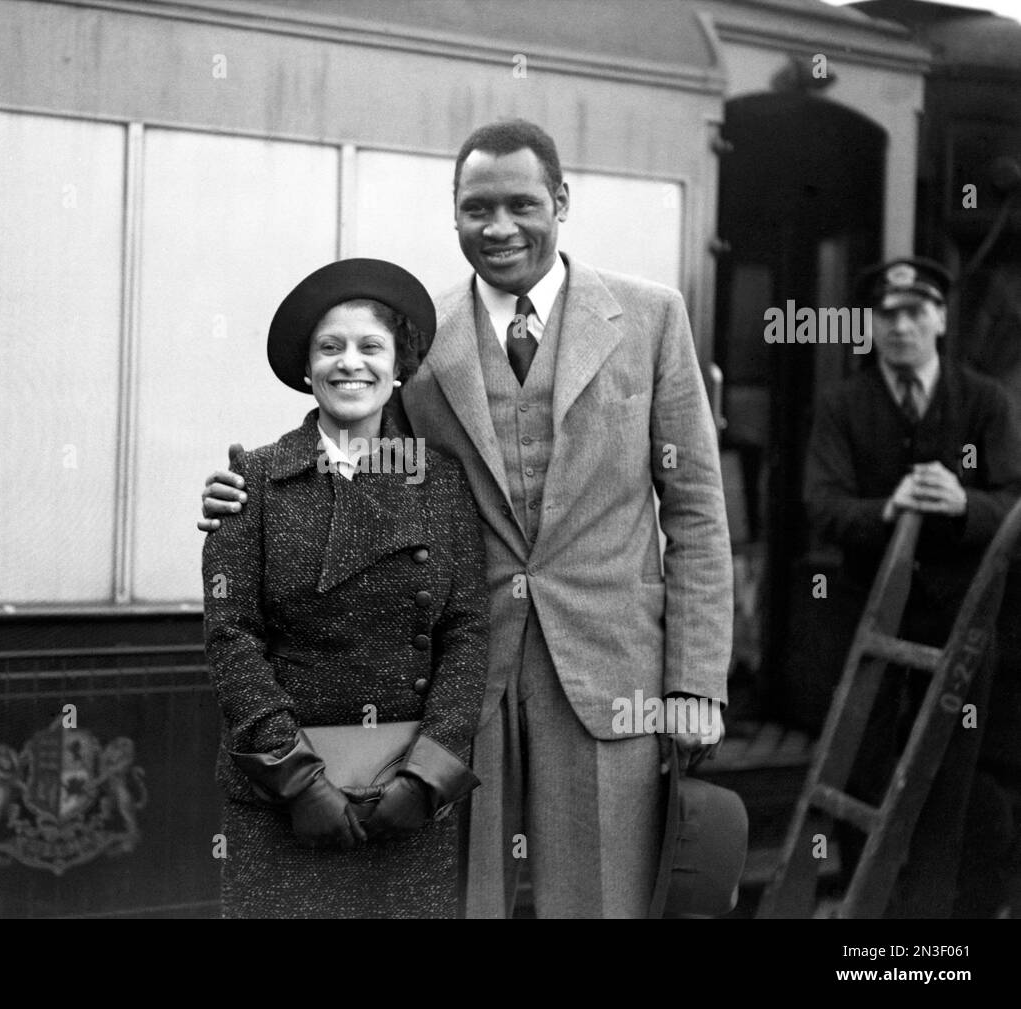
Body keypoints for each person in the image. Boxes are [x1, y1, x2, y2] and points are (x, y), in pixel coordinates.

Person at [202, 120, 732, 918]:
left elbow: (694, 508)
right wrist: (244, 494)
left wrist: (694, 680)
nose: (499, 227)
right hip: (456, 681)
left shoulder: (652, 318)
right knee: (461, 900)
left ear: (561, 201)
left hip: (612, 670)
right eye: (476, 208)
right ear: (453, 215)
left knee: (600, 902)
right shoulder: (418, 339)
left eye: (522, 204)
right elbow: (370, 470)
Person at [201, 257, 489, 918]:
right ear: (307, 367)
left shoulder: (441, 481)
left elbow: (468, 631)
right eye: (329, 347)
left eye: (370, 347)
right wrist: (299, 782)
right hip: (283, 800)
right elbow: (232, 635)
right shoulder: (255, 479)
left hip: (406, 799)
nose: (349, 363)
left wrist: (427, 777)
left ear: (399, 367)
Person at [804, 256, 1021, 917]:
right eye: (887, 314)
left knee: (949, 767)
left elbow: (1013, 499)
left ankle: (931, 913)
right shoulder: (843, 403)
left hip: (961, 617)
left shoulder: (984, 400)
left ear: (942, 319)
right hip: (864, 612)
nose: (900, 326)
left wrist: (962, 503)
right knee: (860, 763)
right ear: (872, 325)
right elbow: (820, 502)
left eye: (915, 312)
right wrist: (886, 510)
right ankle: (868, 907)